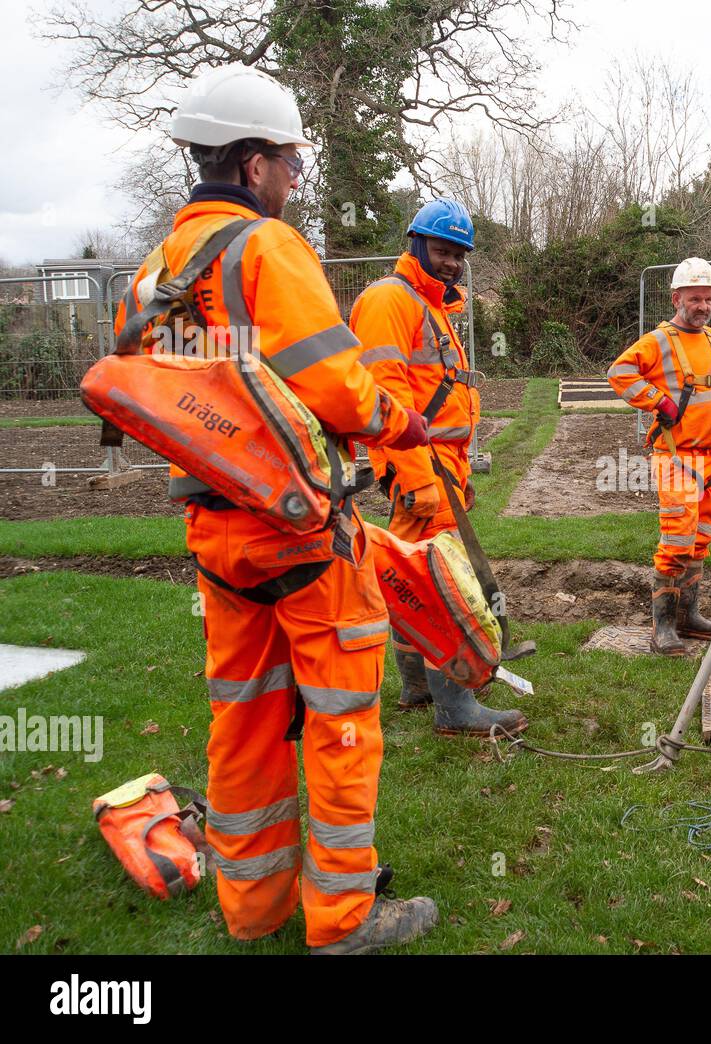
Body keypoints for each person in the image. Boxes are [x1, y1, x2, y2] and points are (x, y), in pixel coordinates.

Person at [115, 63, 437, 954]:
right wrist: (402, 420)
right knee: (339, 723)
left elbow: (142, 382)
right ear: (252, 164)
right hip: (299, 532)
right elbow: (337, 385)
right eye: (290, 165)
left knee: (246, 719)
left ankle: (251, 909)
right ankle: (341, 919)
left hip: (215, 534)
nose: (294, 182)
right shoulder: (266, 250)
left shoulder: (155, 273)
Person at [349, 198, 527, 735]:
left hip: (438, 467)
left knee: (412, 577)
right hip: (420, 469)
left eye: (459, 254)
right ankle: (456, 707)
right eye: (442, 250)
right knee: (443, 586)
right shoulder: (391, 301)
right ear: (416, 244)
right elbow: (386, 396)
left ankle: (418, 685)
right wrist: (421, 480)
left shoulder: (431, 307)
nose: (451, 263)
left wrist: (453, 475)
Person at [606, 257, 711, 654]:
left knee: (700, 541)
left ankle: (689, 616)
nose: (703, 306)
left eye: (708, 299)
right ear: (676, 299)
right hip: (678, 459)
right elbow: (619, 372)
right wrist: (657, 402)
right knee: (676, 543)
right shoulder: (659, 341)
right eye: (695, 299)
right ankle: (662, 628)